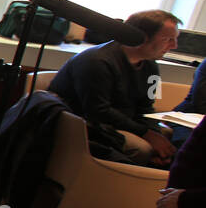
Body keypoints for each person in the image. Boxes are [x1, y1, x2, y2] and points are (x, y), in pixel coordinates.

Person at [47, 9, 182, 166]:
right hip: (87, 126)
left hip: (121, 123)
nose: (174, 46)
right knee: (143, 149)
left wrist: (156, 137)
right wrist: (147, 135)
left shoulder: (152, 66)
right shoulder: (97, 61)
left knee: (169, 138)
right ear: (140, 37)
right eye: (167, 39)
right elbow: (98, 111)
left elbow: (147, 107)